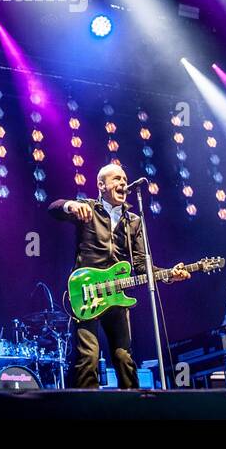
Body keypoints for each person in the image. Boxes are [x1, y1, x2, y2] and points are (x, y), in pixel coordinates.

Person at [49, 163, 189, 389]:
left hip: (117, 296)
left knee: (124, 358)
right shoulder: (89, 209)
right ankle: (87, 412)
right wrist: (70, 205)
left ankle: (132, 410)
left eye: (124, 179)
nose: (123, 183)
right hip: (87, 293)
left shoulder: (133, 221)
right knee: (88, 358)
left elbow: (143, 265)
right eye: (116, 179)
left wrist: (169, 275)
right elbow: (53, 208)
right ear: (101, 185)